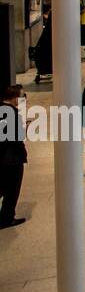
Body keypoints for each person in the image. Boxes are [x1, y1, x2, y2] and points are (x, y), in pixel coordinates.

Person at [0, 85, 28, 228]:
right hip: (11, 159)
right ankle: (6, 218)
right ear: (15, 98)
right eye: (22, 96)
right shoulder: (12, 113)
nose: (23, 99)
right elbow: (16, 137)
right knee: (11, 190)